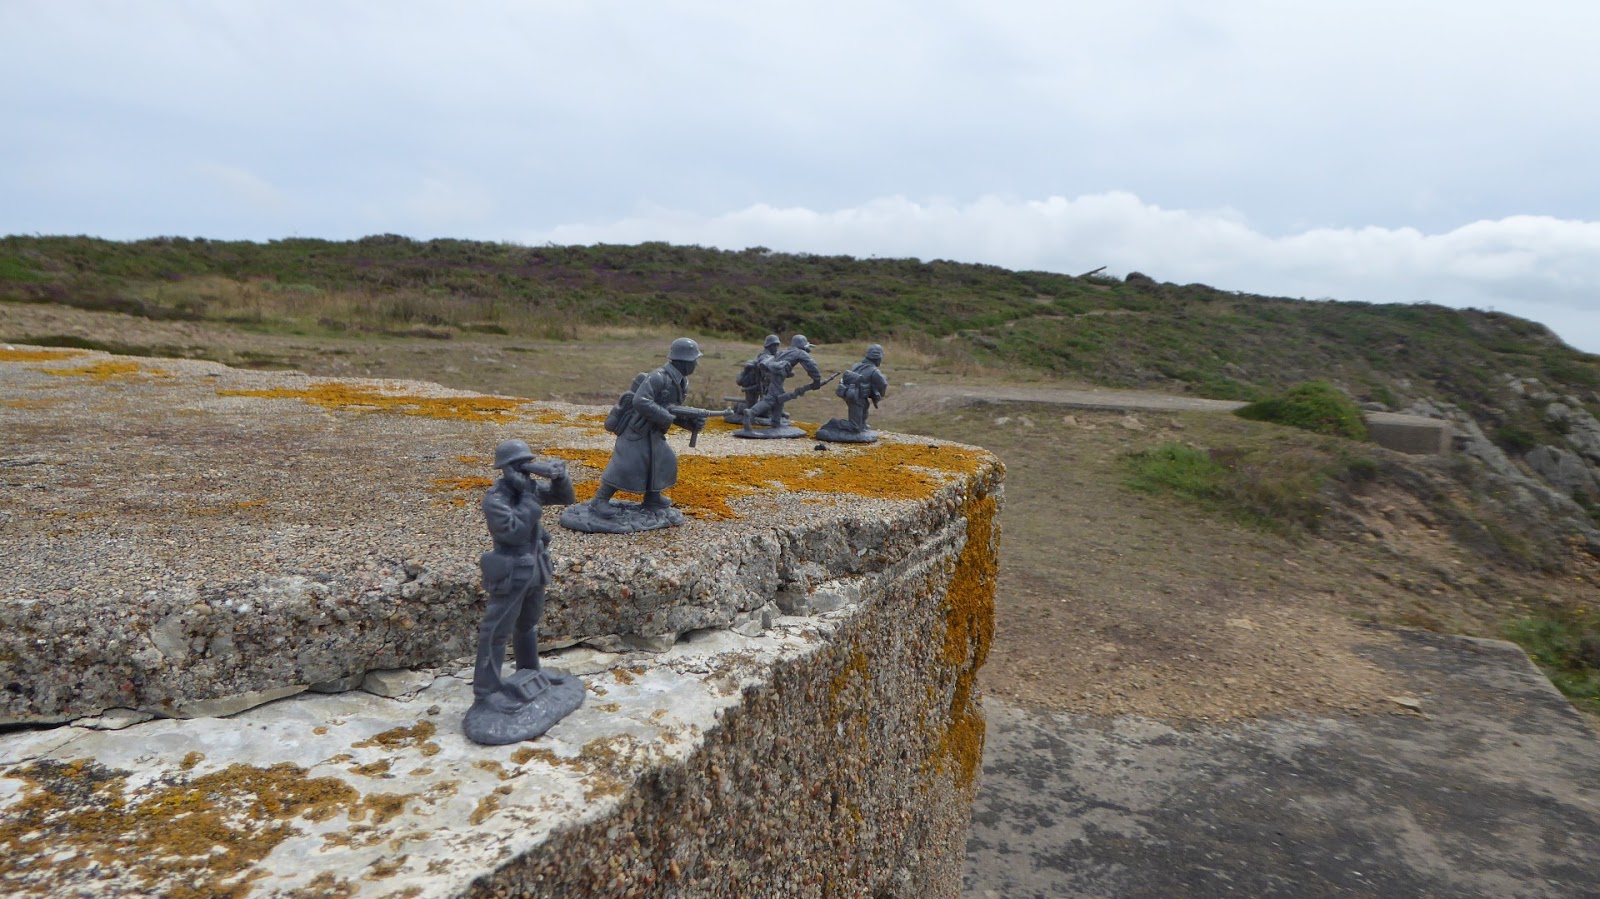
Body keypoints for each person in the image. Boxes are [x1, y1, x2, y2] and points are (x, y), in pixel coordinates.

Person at [474, 439, 574, 711]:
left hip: (535, 569)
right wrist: (529, 496)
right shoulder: (496, 499)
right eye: (520, 466)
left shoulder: (526, 489)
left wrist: (560, 478)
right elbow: (514, 531)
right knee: (495, 632)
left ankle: (530, 670)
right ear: (506, 469)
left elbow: (565, 498)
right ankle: (487, 689)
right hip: (511, 571)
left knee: (528, 624)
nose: (527, 471)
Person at [587, 337, 702, 518]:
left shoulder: (681, 382)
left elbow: (671, 410)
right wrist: (667, 417)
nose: (696, 364)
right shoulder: (658, 377)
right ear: (684, 361)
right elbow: (640, 401)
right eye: (694, 360)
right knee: (626, 465)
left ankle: (652, 498)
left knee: (663, 460)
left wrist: (689, 423)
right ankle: (599, 501)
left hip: (653, 430)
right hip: (636, 429)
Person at [743, 334, 822, 431]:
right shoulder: (800, 352)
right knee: (772, 399)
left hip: (774, 374)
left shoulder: (786, 351)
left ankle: (776, 422)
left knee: (779, 397)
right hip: (778, 374)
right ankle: (751, 412)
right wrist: (817, 380)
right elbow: (811, 365)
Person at [838, 343, 889, 432]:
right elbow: (883, 384)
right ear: (878, 358)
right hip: (857, 397)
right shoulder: (874, 371)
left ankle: (862, 424)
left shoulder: (856, 365)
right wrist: (879, 395)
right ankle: (834, 424)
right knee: (855, 427)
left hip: (851, 394)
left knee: (864, 410)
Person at [736, 334, 782, 413]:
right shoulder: (765, 357)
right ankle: (738, 408)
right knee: (750, 405)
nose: (776, 348)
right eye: (774, 345)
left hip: (763, 385)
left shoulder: (770, 356)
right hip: (752, 383)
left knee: (766, 403)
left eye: (777, 345)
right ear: (768, 346)